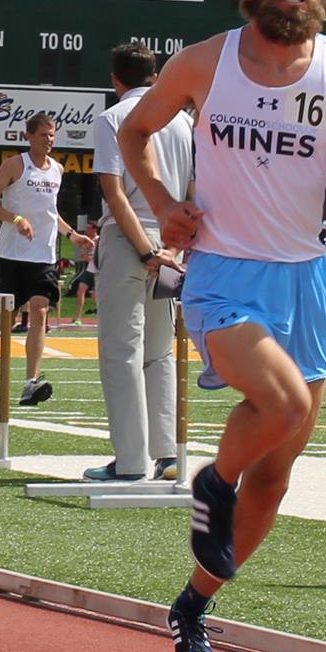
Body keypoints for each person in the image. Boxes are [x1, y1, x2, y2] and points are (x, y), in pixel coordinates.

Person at [116, 0, 326, 652]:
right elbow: (135, 133)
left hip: (303, 279)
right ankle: (214, 479)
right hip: (223, 271)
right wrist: (162, 202)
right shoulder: (204, 65)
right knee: (283, 406)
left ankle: (195, 606)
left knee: (277, 474)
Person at [86, 42, 194, 482]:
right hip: (171, 237)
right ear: (154, 77)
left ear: (116, 80)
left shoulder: (112, 118)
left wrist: (146, 249)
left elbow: (113, 192)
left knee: (121, 352)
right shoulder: (184, 123)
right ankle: (166, 455)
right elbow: (193, 194)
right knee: (159, 352)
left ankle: (130, 461)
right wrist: (173, 250)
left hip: (128, 238)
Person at [0, 113, 94, 403]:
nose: (49, 140)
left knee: (40, 310)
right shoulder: (15, 165)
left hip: (44, 253)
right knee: (12, 311)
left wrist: (72, 235)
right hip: (12, 253)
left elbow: (50, 213)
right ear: (28, 136)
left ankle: (31, 381)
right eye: (43, 134)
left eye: (52, 134)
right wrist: (16, 218)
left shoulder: (56, 168)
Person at [67, 221, 100, 326]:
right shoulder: (87, 241)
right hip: (89, 269)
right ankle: (77, 317)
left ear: (94, 229)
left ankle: (103, 317)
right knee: (80, 291)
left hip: (98, 270)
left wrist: (89, 258)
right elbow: (84, 255)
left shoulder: (99, 240)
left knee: (95, 297)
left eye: (89, 228)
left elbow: (98, 257)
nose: (86, 230)